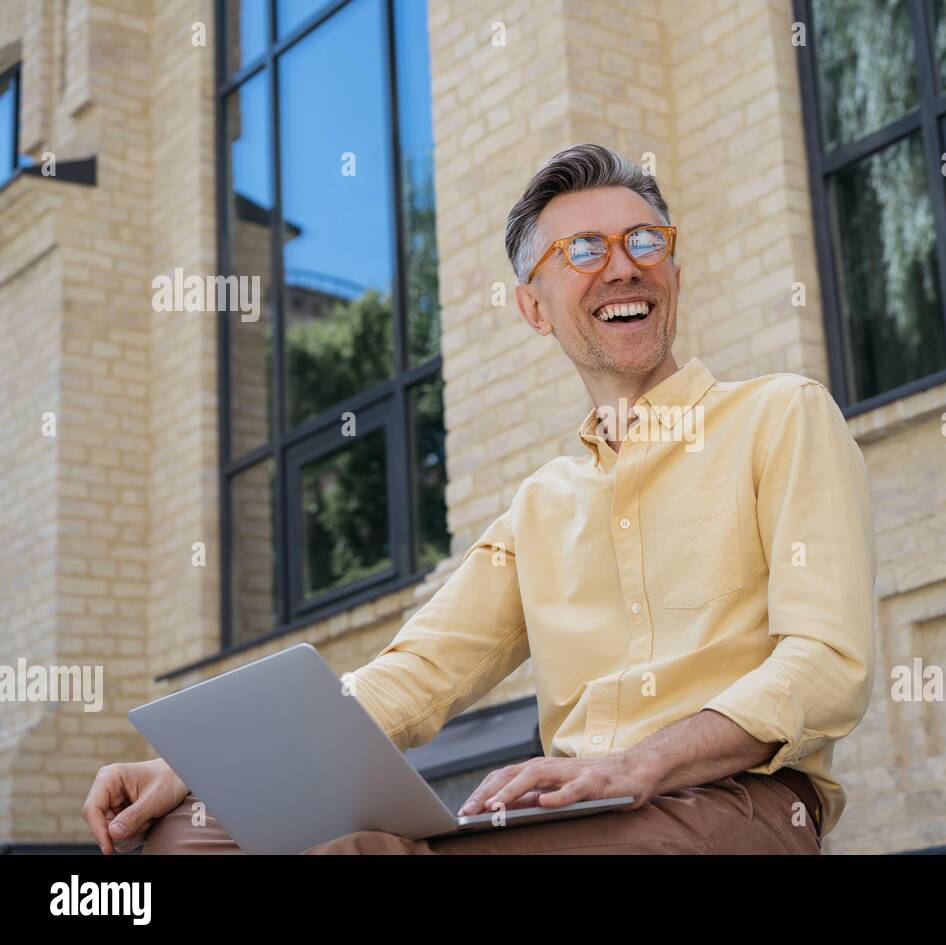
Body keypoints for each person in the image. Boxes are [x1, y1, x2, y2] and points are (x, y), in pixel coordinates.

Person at [83, 143, 876, 855]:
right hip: (571, 813)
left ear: (673, 270)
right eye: (584, 250)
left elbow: (825, 663)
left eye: (644, 241)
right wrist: (194, 767)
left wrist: (638, 763)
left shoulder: (781, 415)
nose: (623, 267)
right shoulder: (541, 508)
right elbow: (415, 673)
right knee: (193, 832)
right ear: (534, 308)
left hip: (735, 800)